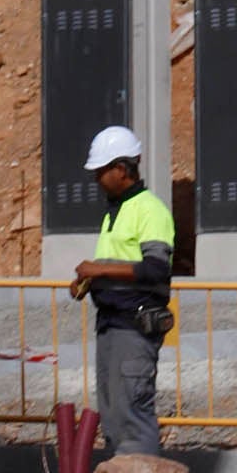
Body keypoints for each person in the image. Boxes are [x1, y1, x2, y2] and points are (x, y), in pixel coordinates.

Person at [70, 126, 176, 456]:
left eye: (101, 171)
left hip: (135, 326)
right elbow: (118, 264)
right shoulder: (115, 212)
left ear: (121, 169)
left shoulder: (150, 210)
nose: (96, 178)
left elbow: (156, 268)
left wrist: (98, 270)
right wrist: (89, 282)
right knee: (113, 416)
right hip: (111, 324)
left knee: (132, 414)